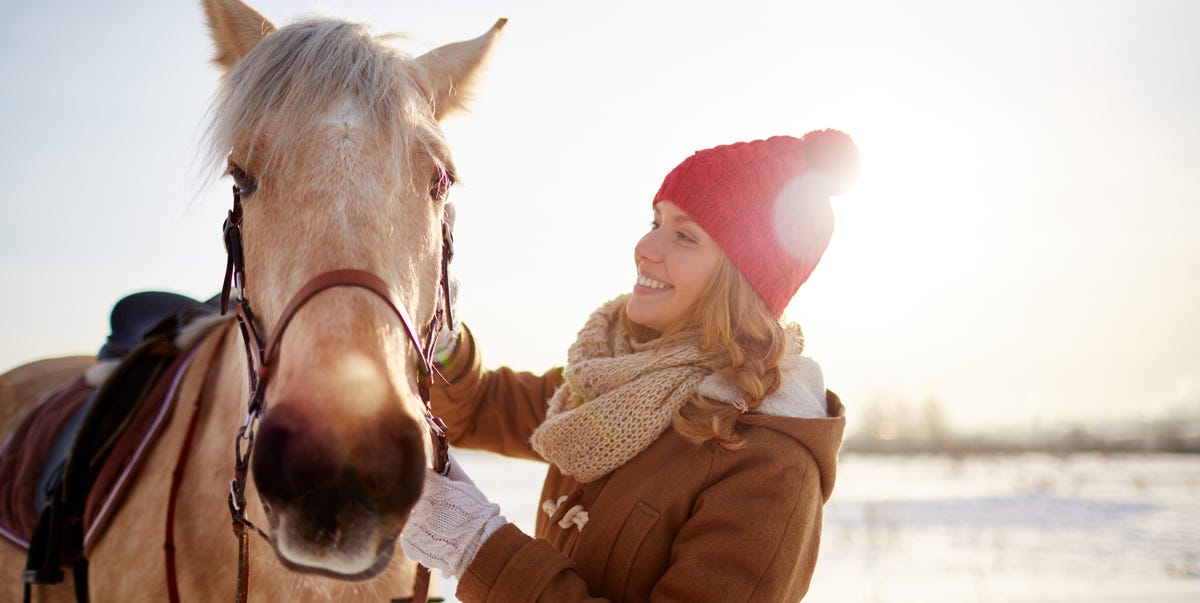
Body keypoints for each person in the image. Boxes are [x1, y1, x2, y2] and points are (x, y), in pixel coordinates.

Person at [401, 129, 859, 602]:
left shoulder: (771, 467)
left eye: (684, 235)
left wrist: (480, 550)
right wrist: (441, 339)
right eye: (655, 221)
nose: (645, 246)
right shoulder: (616, 378)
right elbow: (479, 410)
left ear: (740, 281)